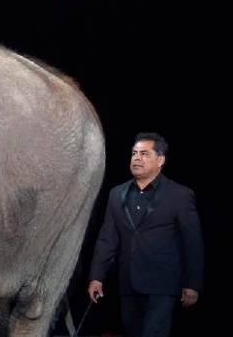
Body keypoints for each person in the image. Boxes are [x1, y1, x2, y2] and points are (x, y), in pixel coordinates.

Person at [87, 133, 204, 337]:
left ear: (161, 160)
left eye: (144, 153)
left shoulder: (179, 195)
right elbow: (107, 238)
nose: (137, 158)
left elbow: (192, 242)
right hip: (127, 283)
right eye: (134, 153)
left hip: (163, 283)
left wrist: (192, 283)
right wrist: (96, 276)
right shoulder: (117, 194)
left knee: (153, 332)